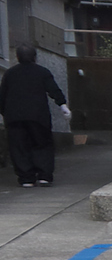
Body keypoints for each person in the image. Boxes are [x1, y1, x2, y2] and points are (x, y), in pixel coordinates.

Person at [1, 44, 66, 187]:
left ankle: (26, 178)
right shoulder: (42, 72)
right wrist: (63, 105)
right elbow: (53, 89)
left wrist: (4, 112)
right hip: (38, 115)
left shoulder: (10, 74)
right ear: (35, 57)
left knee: (19, 147)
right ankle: (44, 175)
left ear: (17, 57)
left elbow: (2, 96)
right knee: (42, 144)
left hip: (14, 117)